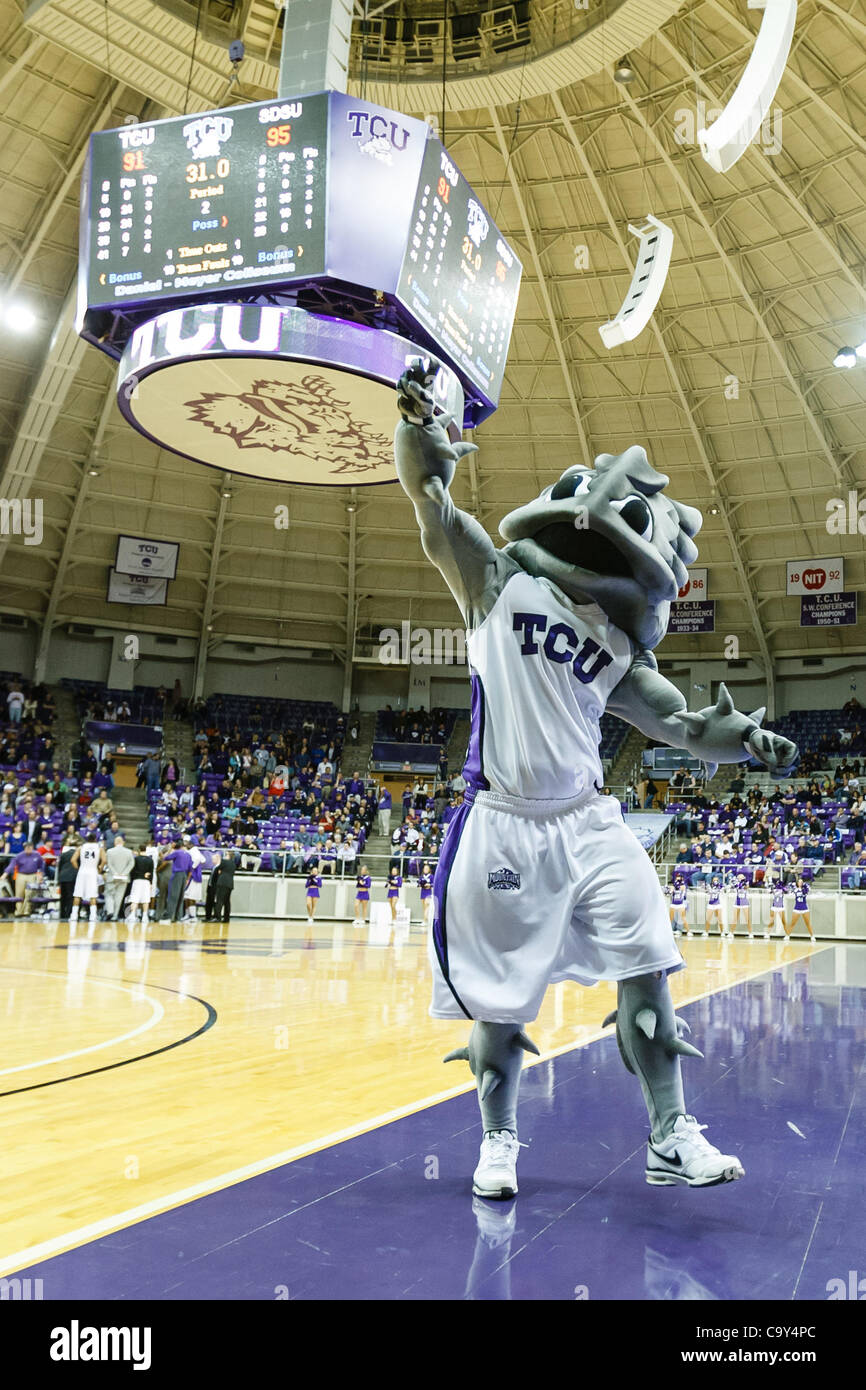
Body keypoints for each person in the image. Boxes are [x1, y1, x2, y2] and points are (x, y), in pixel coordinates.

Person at [392, 362, 798, 1198]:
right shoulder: (497, 585)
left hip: (587, 821)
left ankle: (669, 1132)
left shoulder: (618, 650)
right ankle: (498, 1140)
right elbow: (432, 504)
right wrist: (417, 428)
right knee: (500, 1007)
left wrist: (751, 740)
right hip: (500, 818)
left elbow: (682, 726)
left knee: (648, 958)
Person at [69, 833, 105, 929]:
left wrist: (78, 869)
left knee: (77, 894)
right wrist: (99, 869)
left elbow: (73, 860)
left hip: (82, 871)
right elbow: (104, 860)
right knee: (92, 895)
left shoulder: (81, 847)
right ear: (95, 839)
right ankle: (93, 916)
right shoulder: (99, 848)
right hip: (92, 872)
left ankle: (74, 916)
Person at [0, 841, 43, 917]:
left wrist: (40, 875)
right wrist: (4, 874)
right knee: (19, 894)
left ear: (32, 847)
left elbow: (41, 866)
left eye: (30, 847)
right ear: (24, 848)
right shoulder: (20, 856)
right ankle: (19, 911)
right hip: (21, 875)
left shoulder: (37, 855)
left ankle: (27, 911)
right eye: (26, 847)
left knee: (29, 894)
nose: (28, 848)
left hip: (32, 875)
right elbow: (11, 865)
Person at [160, 839, 192, 925]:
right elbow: (190, 868)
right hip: (184, 876)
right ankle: (178, 917)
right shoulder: (188, 855)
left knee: (173, 896)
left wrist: (171, 848)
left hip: (177, 874)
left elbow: (165, 858)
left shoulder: (177, 852)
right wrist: (187, 879)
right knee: (181, 897)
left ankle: (168, 917)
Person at [103, 834, 134, 922]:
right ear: (123, 843)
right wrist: (124, 873)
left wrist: (115, 873)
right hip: (124, 877)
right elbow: (131, 863)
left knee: (109, 894)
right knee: (119, 897)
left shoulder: (109, 851)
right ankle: (115, 916)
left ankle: (110, 911)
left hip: (112, 877)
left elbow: (109, 863)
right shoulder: (128, 851)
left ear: (115, 842)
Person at [126, 844, 157, 930]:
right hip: (146, 882)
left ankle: (132, 915)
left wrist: (136, 877)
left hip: (137, 880)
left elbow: (133, 872)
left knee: (134, 899)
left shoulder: (136, 859)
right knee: (146, 899)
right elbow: (151, 872)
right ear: (146, 850)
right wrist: (150, 883)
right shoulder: (150, 860)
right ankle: (145, 916)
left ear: (139, 850)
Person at [56, 835, 79, 922]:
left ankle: (61, 914)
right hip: (73, 877)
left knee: (63, 896)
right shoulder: (78, 854)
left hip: (63, 876)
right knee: (71, 896)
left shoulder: (64, 854)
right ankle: (68, 914)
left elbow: (59, 867)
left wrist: (59, 878)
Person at [418, 861, 434, 929]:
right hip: (423, 892)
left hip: (428, 892)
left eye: (427, 869)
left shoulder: (431, 876)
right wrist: (420, 884)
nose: (426, 870)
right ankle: (426, 920)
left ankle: (424, 920)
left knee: (427, 905)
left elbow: (434, 884)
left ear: (429, 869)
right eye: (425, 869)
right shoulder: (422, 876)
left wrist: (429, 885)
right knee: (424, 907)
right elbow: (419, 883)